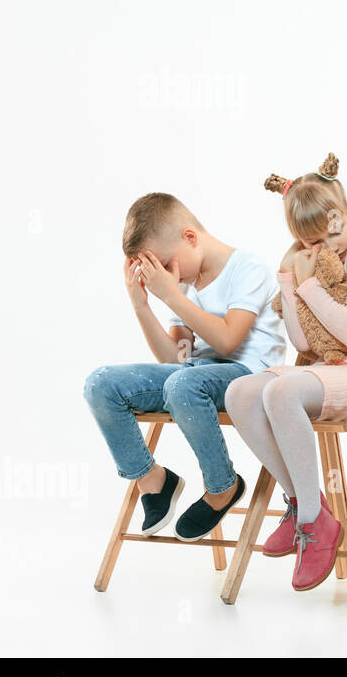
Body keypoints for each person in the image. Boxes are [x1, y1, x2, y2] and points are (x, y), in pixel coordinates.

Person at [225, 153, 347, 592]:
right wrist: (290, 283)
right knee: (240, 394)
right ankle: (303, 505)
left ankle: (312, 521)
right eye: (311, 242)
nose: (327, 247)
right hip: (332, 370)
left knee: (281, 394)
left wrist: (309, 285)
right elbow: (305, 344)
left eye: (333, 233)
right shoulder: (313, 258)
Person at [84, 193, 285, 541]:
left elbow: (227, 342)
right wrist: (142, 306)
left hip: (250, 377)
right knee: (100, 384)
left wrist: (171, 296)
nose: (163, 277)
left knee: (183, 385)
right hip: (194, 379)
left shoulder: (247, 268)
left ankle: (223, 485)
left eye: (163, 265)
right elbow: (176, 360)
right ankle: (153, 480)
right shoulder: (185, 286)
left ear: (189, 238)